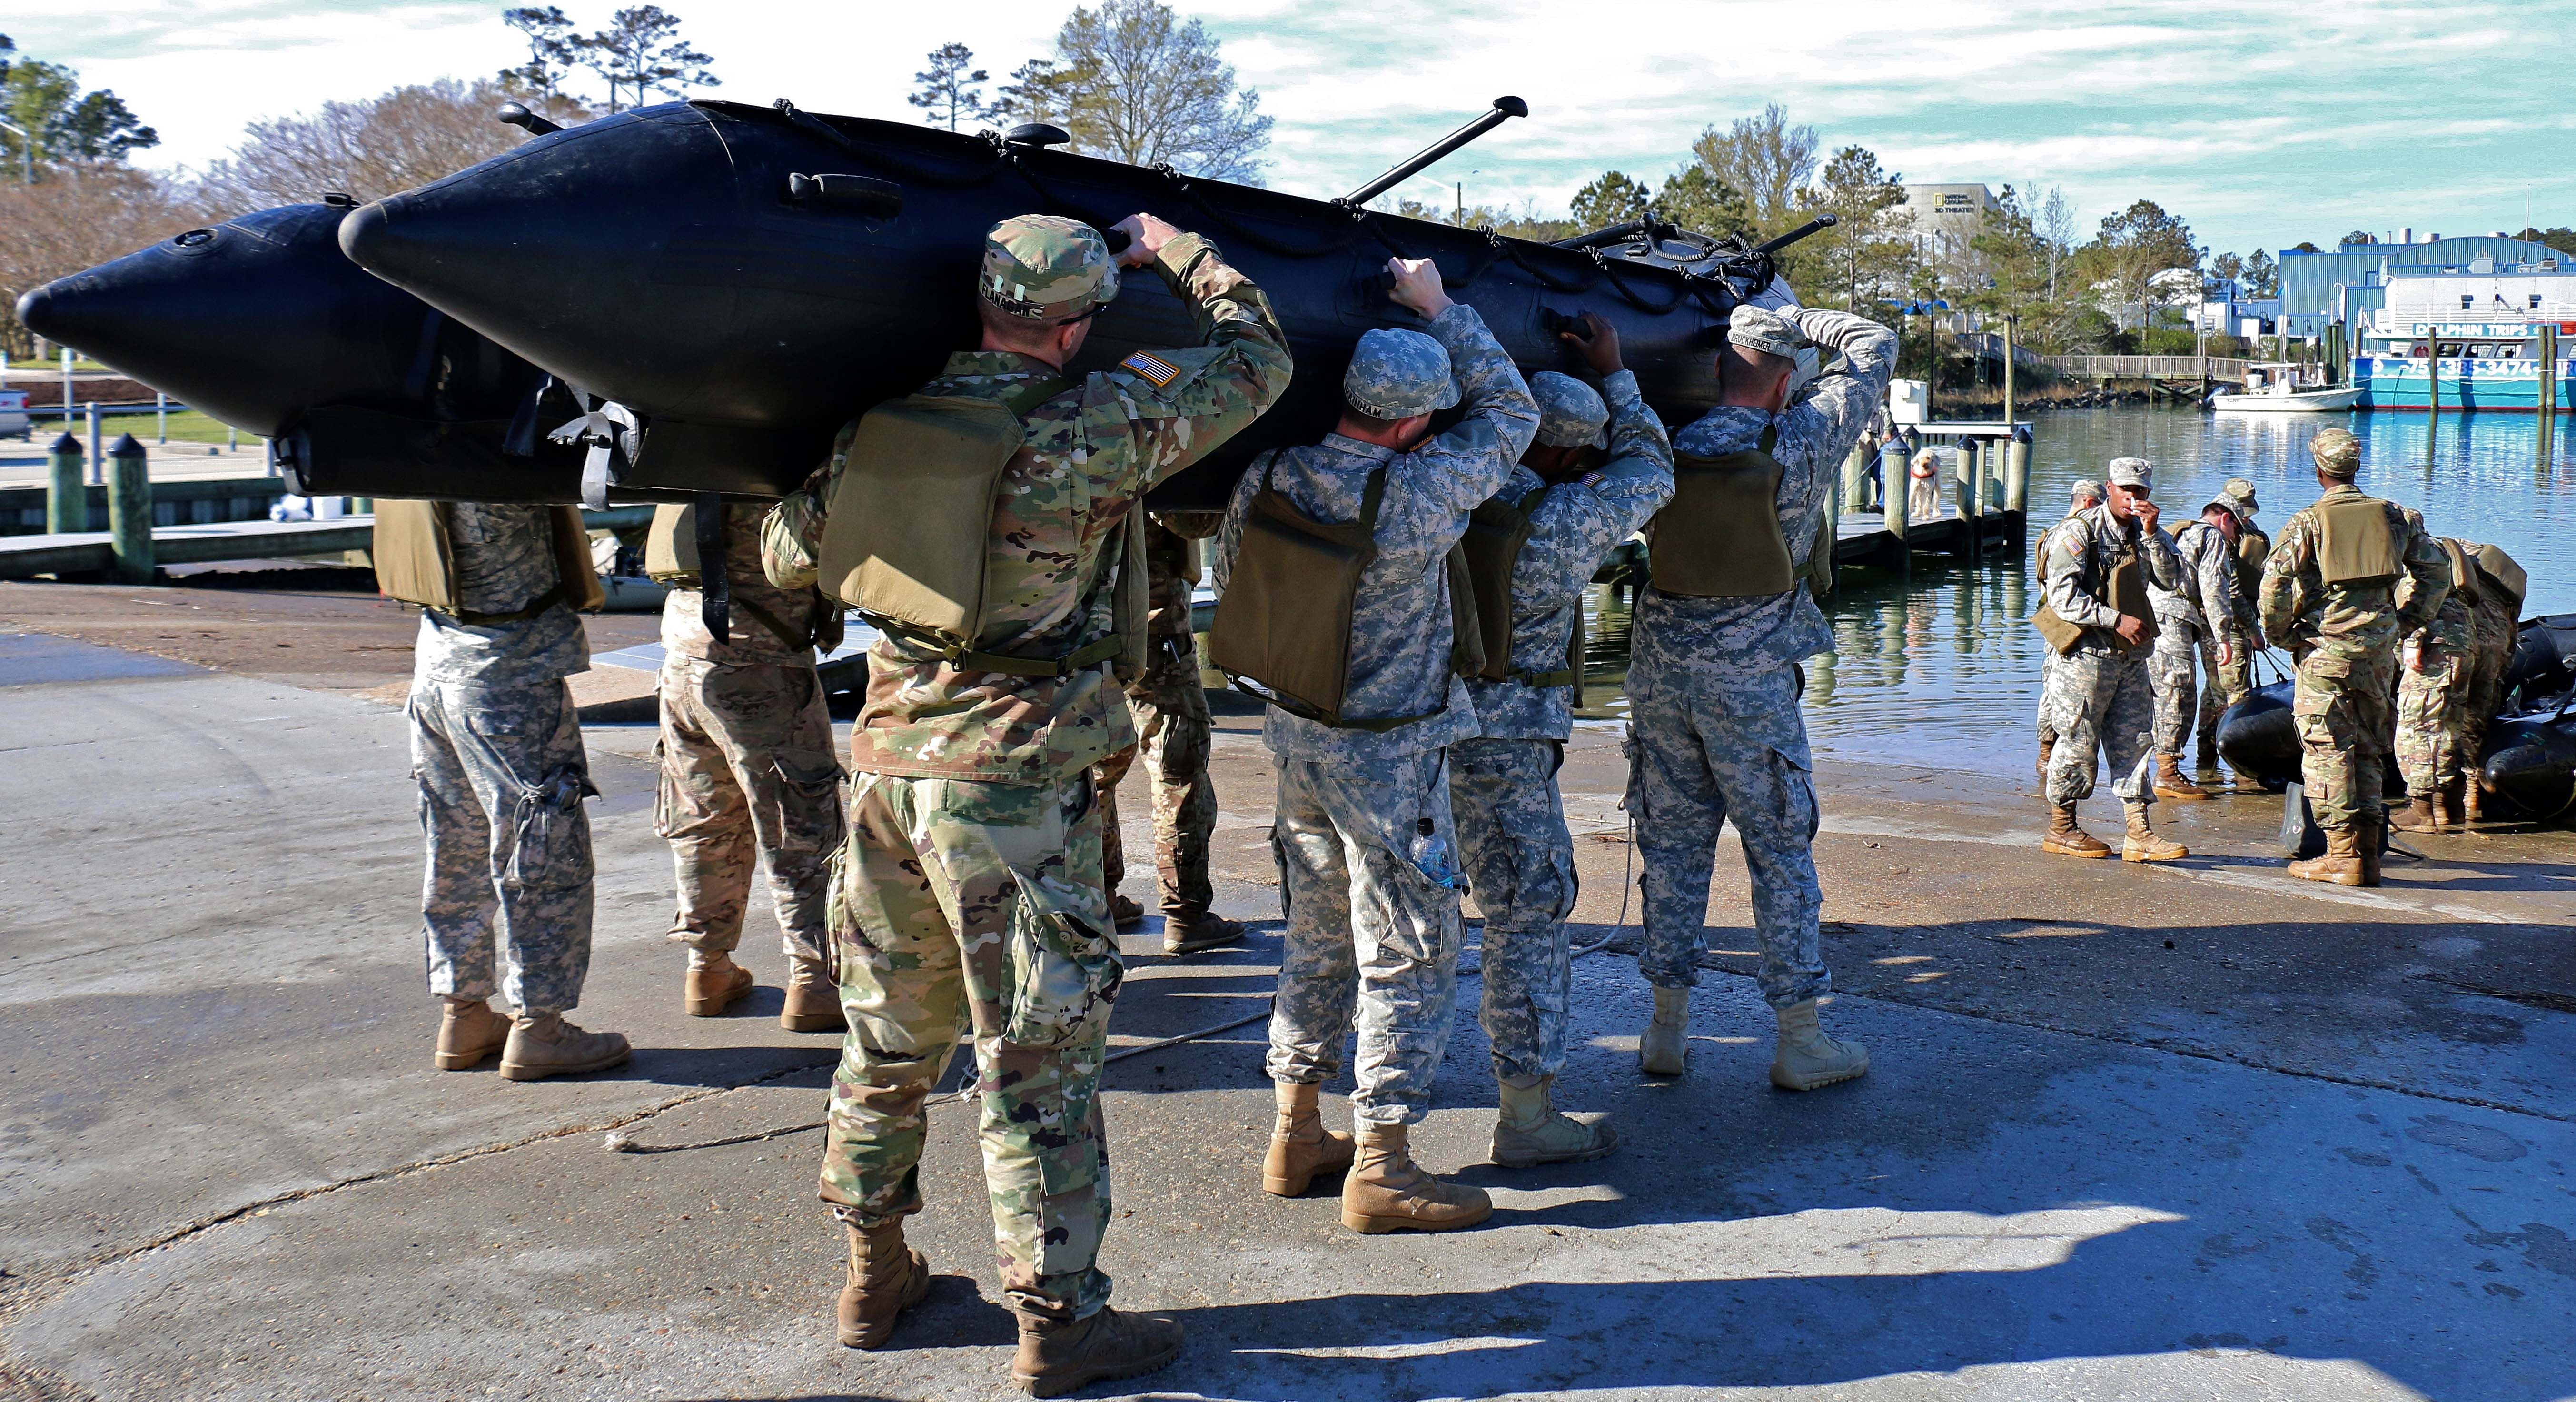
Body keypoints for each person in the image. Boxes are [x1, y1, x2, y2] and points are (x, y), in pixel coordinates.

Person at [762, 210, 1288, 1390]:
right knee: (1034, 1059)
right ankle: (1060, 1318)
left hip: (890, 775)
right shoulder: (1091, 427)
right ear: (1082, 320)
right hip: (1014, 789)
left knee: (886, 1039)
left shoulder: (880, 430)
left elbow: (791, 554)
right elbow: (1260, 360)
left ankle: (874, 1271)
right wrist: (1188, 251)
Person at [1212, 257, 1536, 1234]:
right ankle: (1385, 1161)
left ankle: (1297, 1129)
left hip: (1296, 734)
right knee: (1408, 944)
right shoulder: (1420, 492)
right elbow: (1513, 415)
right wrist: (1444, 310)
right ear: (1410, 422)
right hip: (1392, 755)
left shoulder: (1270, 472)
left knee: (1313, 931)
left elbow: (1232, 569)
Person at [1627, 303, 1891, 1091]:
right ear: (1784, 383)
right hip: (1751, 682)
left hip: (1661, 671)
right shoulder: (1801, 436)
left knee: (1671, 850)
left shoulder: (1662, 446)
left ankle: (1665, 1032)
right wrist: (1799, 314)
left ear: (1717, 370)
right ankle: (1800, 1040)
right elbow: (1875, 347)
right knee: (1777, 849)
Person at [1449, 315, 1673, 1169]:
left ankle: (1313, 1119)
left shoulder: (1437, 484)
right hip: (1504, 747)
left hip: (1411, 730)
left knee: (1388, 924)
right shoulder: (1561, 523)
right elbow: (1652, 469)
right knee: (1527, 913)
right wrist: (1617, 376)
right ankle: (1527, 1113)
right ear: (1568, 456)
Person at [375, 498, 630, 1080]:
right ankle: (541, 1028)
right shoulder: (495, 454)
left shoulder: (409, 451)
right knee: (541, 854)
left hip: (437, 665)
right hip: (510, 677)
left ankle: (465, 1013)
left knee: (456, 846)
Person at [645, 500, 847, 1030]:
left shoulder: (694, 441)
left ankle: (707, 967)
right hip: (763, 662)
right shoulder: (776, 445)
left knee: (704, 821)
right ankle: (814, 979)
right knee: (799, 826)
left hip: (683, 654)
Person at [2258, 428, 2448, 886]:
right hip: (2379, 655)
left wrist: (2284, 635)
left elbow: (2273, 589)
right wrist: (2406, 621)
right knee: (2367, 748)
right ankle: (2368, 855)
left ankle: (2342, 855)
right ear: (2355, 468)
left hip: (2326, 653)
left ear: (2319, 470)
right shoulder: (2395, 516)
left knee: (2327, 750)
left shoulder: (2309, 523)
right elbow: (2437, 571)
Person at [1091, 511, 1241, 955]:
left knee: (1094, 766)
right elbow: (1196, 519)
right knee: (1179, 767)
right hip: (1153, 622)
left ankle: (1098, 898)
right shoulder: (1148, 440)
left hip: (1082, 619)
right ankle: (1186, 912)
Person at [2037, 457, 2190, 863]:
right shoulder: (2080, 531)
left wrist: (2155, 534)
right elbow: (2062, 598)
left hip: (2130, 659)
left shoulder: (2147, 532)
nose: (2133, 497)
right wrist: (2116, 619)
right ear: (2109, 487)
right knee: (2077, 742)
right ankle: (2062, 826)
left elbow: (2174, 580)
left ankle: (2139, 832)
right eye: (2126, 489)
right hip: (2084, 658)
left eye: (2140, 491)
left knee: (2137, 741)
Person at [2150, 491, 2250, 800]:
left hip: (2151, 615)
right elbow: (2214, 586)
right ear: (2225, 518)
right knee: (2178, 692)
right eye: (2237, 530)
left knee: (2159, 693)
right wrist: (2222, 636)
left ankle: (2158, 767)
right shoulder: (2213, 537)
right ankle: (2167, 773)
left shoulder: (2181, 531)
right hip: (2174, 618)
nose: (2235, 538)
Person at [2391, 537, 2477, 834]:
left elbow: (2420, 597)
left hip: (2434, 648)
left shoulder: (2412, 555)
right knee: (2447, 729)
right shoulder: (2441, 552)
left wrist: (2414, 641)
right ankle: (2446, 808)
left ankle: (2421, 811)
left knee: (2416, 728)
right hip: (2462, 643)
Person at [2194, 479, 2268, 777]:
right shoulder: (2217, 538)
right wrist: (2253, 630)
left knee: (2215, 691)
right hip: (2227, 626)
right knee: (2234, 692)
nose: (2246, 520)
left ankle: (2206, 764)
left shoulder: (2253, 539)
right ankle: (2241, 772)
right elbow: (2233, 590)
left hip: (2221, 624)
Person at [2035, 478, 2102, 778]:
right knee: (2055, 689)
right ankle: (2049, 754)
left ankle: (2047, 754)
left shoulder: (2052, 533)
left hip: (2052, 620)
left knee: (2051, 687)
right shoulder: (2074, 534)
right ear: (2089, 503)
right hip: (2066, 623)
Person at [2457, 541, 2526, 823]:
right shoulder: (2502, 580)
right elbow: (2513, 631)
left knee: (2442, 722)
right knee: (2477, 722)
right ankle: (2473, 795)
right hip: (2495, 648)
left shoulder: (2440, 571)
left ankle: (2442, 802)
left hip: (2461, 646)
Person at [1906, 445, 1943, 525]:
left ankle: (1932, 511)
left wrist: (1936, 466)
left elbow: (1928, 494)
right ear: (1918, 460)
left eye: (1928, 459)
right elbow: (1912, 493)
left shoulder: (1934, 468)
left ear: (1932, 460)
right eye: (1922, 459)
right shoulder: (1916, 468)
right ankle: (1915, 510)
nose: (1925, 462)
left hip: (1930, 477)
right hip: (1918, 476)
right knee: (1914, 493)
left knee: (1933, 492)